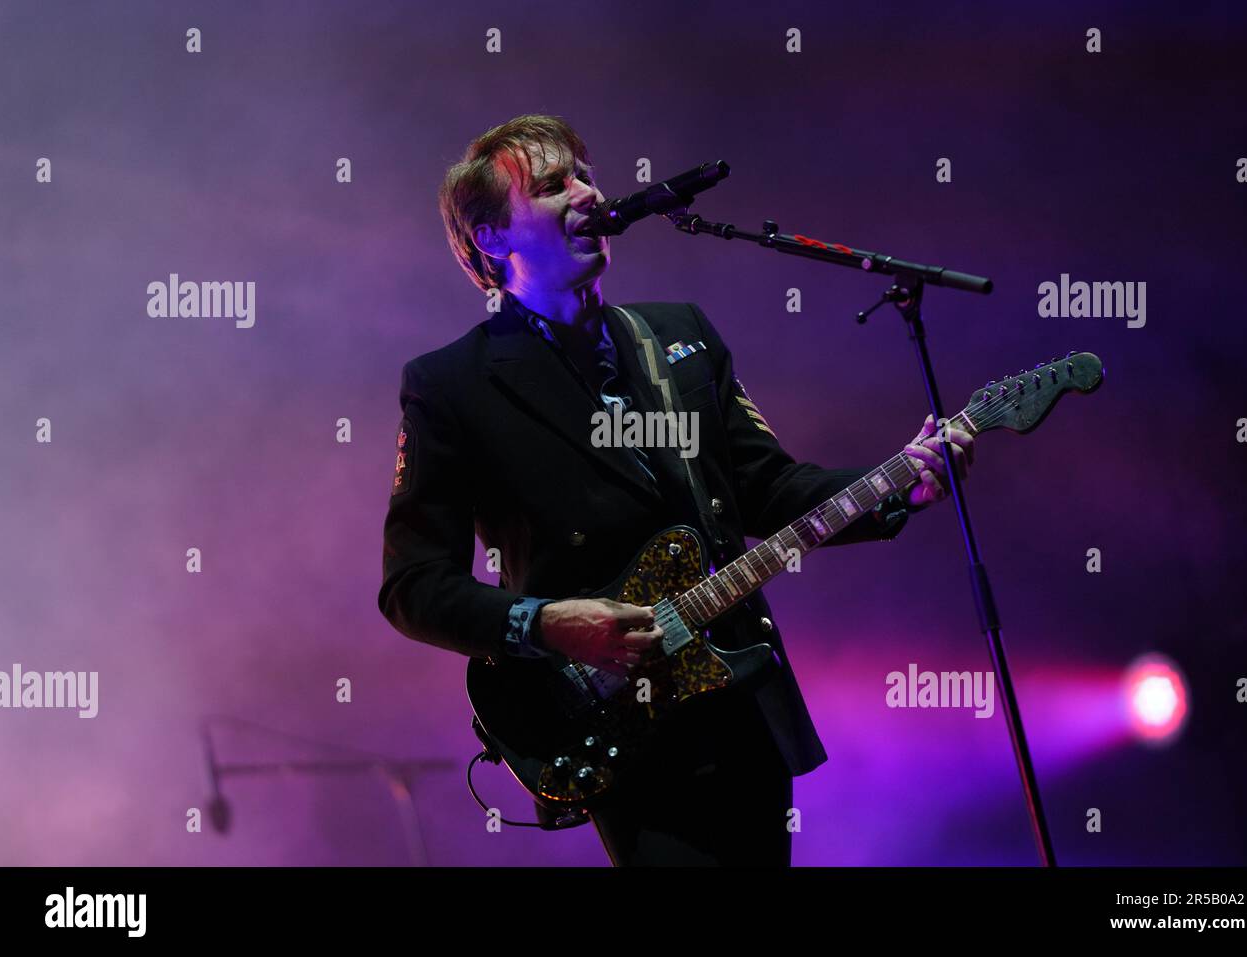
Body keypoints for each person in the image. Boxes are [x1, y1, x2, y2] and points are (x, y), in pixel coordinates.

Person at [378, 114, 974, 865]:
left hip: (738, 695)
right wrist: (547, 621)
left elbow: (768, 487)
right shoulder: (451, 385)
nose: (590, 193)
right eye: (555, 185)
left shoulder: (676, 335)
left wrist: (899, 484)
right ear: (493, 239)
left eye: (586, 174)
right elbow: (413, 584)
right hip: (620, 725)